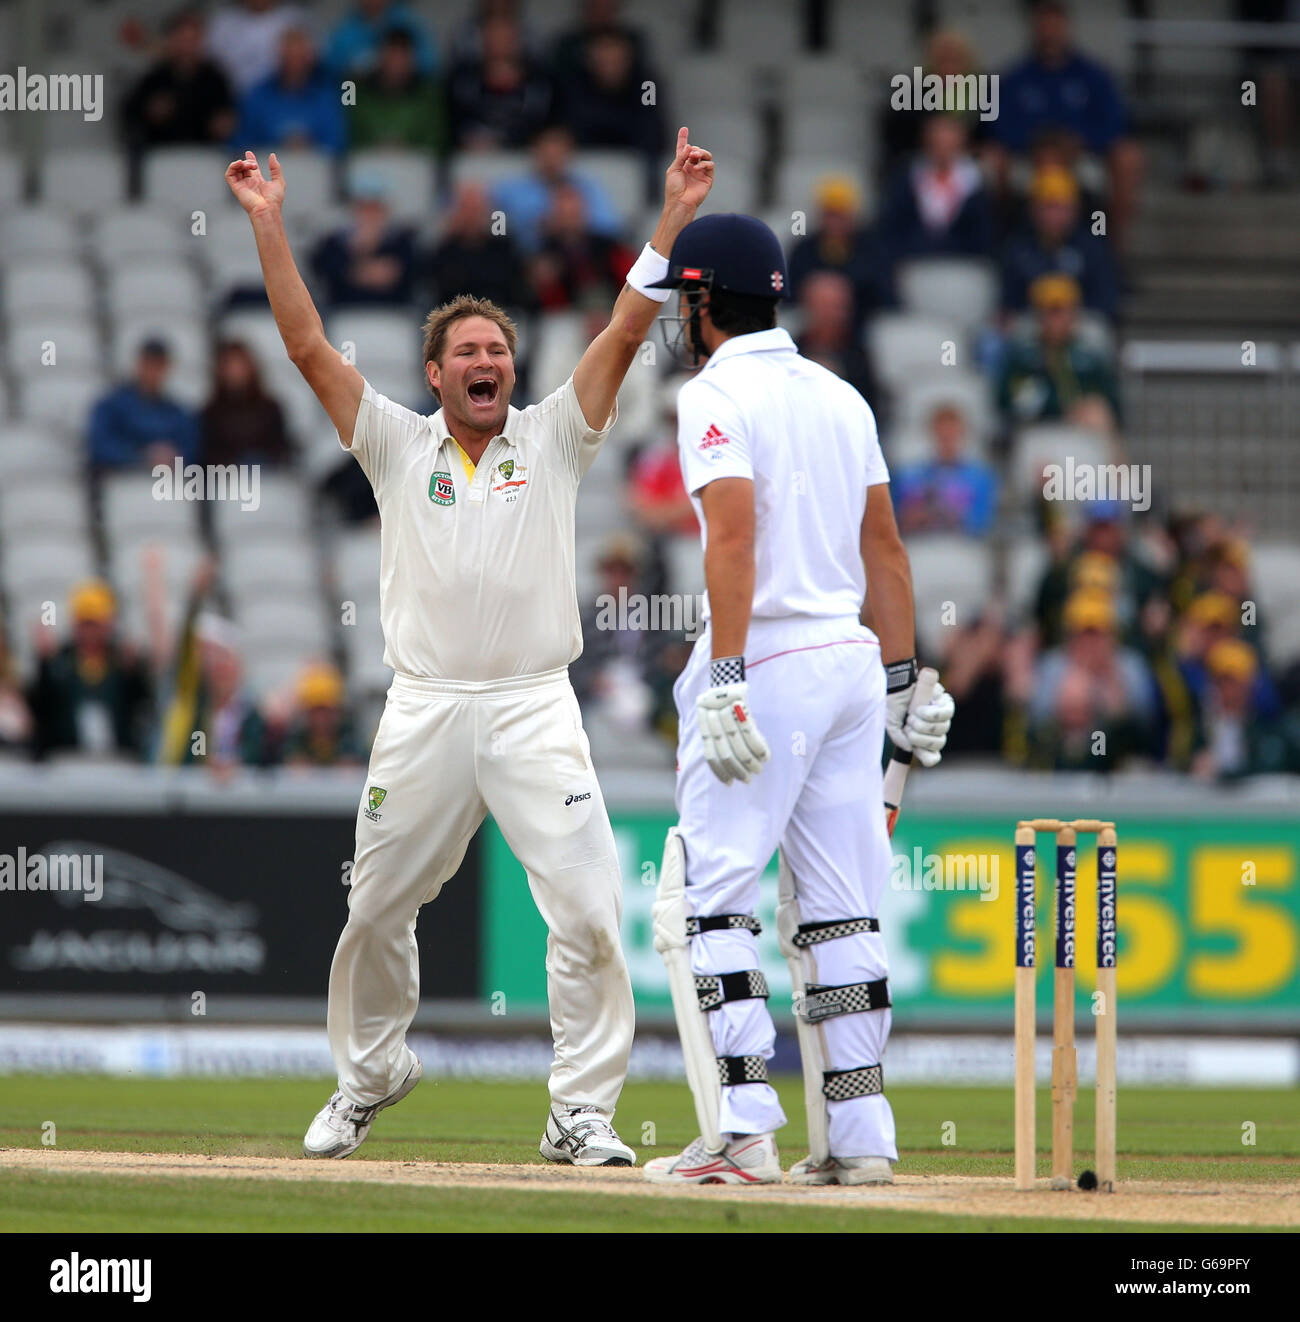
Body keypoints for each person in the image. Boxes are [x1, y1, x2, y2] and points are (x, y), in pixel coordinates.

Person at [226, 126, 716, 1165]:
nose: (487, 362)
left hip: (537, 702)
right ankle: (368, 1076)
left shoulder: (554, 435)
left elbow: (627, 331)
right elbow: (309, 348)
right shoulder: (396, 443)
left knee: (586, 909)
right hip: (426, 704)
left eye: (497, 350)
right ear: (436, 374)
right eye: (468, 354)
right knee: (373, 909)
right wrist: (270, 225)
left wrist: (671, 215)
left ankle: (578, 1112)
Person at [639, 213, 955, 1186]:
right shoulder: (839, 394)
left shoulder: (713, 394)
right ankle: (859, 1138)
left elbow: (730, 539)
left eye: (682, 302)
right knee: (842, 910)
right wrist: (905, 682)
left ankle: (740, 1131)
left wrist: (726, 675)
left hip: (767, 656)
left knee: (715, 894)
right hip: (851, 661)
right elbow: (886, 551)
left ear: (700, 303)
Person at [990, 0, 1142, 246]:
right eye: (1044, 24)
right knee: (992, 158)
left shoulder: (1094, 75)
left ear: (1066, 27)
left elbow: (1114, 125)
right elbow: (999, 127)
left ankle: (1110, 246)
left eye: (1055, 24)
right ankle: (1002, 245)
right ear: (1034, 27)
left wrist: (1078, 143)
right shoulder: (1013, 78)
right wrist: (1041, 146)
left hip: (1083, 158)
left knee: (1128, 156)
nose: (1050, 31)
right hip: (1029, 159)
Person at [28, 581, 154, 761]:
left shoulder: (122, 663)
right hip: (66, 760)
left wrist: (135, 674)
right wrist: (43, 666)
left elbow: (142, 708)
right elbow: (40, 711)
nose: (90, 632)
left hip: (117, 760)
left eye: (95, 624)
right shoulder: (58, 664)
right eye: (85, 623)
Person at [876, 113, 994, 286]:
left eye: (949, 135)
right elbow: (891, 229)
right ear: (926, 138)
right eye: (937, 136)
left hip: (960, 273)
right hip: (910, 269)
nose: (943, 143)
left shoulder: (976, 183)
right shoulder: (906, 177)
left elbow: (984, 237)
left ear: (962, 139)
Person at [997, 273, 1120, 424]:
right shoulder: (1022, 357)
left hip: (1084, 429)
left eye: (1061, 311)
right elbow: (1005, 400)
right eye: (1050, 311)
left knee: (1096, 412)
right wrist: (1063, 408)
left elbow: (1113, 401)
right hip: (1036, 427)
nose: (1055, 320)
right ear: (1038, 314)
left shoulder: (1090, 358)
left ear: (1074, 313)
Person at [1000, 165, 1119, 320]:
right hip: (1031, 324)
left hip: (1079, 323)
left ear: (1075, 210)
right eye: (1048, 207)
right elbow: (1008, 303)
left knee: (1096, 331)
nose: (1054, 216)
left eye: (1061, 208)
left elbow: (1105, 302)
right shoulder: (1017, 247)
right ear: (1033, 210)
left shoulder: (1093, 248)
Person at [122, 8, 236, 154]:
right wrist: (150, 113)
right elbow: (130, 116)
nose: (187, 48)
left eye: (192, 40)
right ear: (171, 40)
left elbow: (229, 118)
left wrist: (224, 125)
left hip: (206, 157)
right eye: (182, 40)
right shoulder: (155, 78)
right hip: (162, 157)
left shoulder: (215, 79)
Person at [493, 126, 622, 254]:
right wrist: (533, 226)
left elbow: (610, 226)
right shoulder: (512, 190)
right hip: (526, 257)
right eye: (547, 153)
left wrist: (572, 222)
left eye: (558, 153)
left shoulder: (586, 188)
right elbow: (495, 226)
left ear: (568, 154)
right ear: (535, 152)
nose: (552, 160)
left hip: (576, 255)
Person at [785, 176, 883, 329]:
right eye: (830, 214)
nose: (834, 222)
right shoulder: (803, 249)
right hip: (809, 327)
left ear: (853, 216)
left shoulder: (872, 250)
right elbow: (788, 296)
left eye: (840, 215)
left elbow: (882, 297)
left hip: (857, 330)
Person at [88, 339, 198, 473]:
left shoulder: (177, 413)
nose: (152, 371)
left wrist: (172, 456)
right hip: (122, 481)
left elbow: (191, 449)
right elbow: (101, 447)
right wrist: (142, 455)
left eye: (158, 365)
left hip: (166, 484)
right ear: (138, 364)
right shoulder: (111, 407)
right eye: (148, 364)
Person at [235, 24, 347, 155]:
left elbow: (337, 142)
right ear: (279, 57)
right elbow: (242, 141)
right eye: (289, 57)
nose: (294, 64)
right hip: (266, 168)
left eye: (299, 58)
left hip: (314, 169)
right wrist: (278, 147)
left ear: (310, 58)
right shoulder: (257, 95)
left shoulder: (327, 97)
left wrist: (310, 146)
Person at [892, 401, 998, 536]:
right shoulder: (908, 477)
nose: (947, 441)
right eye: (942, 435)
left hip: (963, 548)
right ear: (932, 434)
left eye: (952, 435)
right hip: (919, 544)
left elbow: (984, 523)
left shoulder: (981, 478)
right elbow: (895, 518)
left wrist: (949, 516)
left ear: (962, 435)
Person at [311, 177, 419, 307]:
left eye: (375, 208)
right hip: (345, 311)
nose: (370, 215)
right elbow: (325, 273)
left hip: (393, 312)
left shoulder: (403, 240)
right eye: (365, 208)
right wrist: (359, 256)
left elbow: (413, 274)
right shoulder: (334, 242)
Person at [345, 27, 444, 154]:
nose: (397, 61)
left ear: (413, 58)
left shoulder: (430, 94)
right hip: (366, 166)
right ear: (379, 55)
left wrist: (408, 149)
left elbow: (437, 140)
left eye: (403, 54)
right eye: (392, 53)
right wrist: (376, 147)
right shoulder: (354, 91)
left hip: (416, 167)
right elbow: (346, 135)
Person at [200, 339, 294, 468]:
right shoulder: (210, 413)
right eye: (230, 366)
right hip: (226, 478)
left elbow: (281, 449)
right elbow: (207, 454)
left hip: (266, 476)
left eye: (239, 365)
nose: (235, 372)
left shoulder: (270, 409)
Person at [324, 0, 438, 77]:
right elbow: (332, 70)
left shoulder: (408, 23)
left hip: (404, 98)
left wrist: (397, 62)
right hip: (361, 99)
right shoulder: (345, 31)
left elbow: (430, 63)